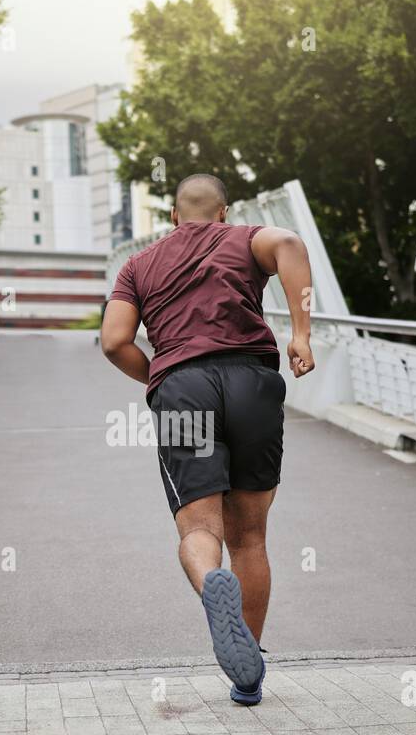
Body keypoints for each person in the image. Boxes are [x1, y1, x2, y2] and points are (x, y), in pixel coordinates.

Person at [101, 173, 314, 706]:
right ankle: (249, 668)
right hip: (252, 384)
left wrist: (159, 375)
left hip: (183, 387)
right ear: (223, 213)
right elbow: (289, 243)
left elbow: (112, 342)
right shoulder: (243, 238)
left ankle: (211, 587)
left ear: (173, 216)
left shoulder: (138, 265)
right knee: (251, 537)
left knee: (200, 527)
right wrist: (301, 334)